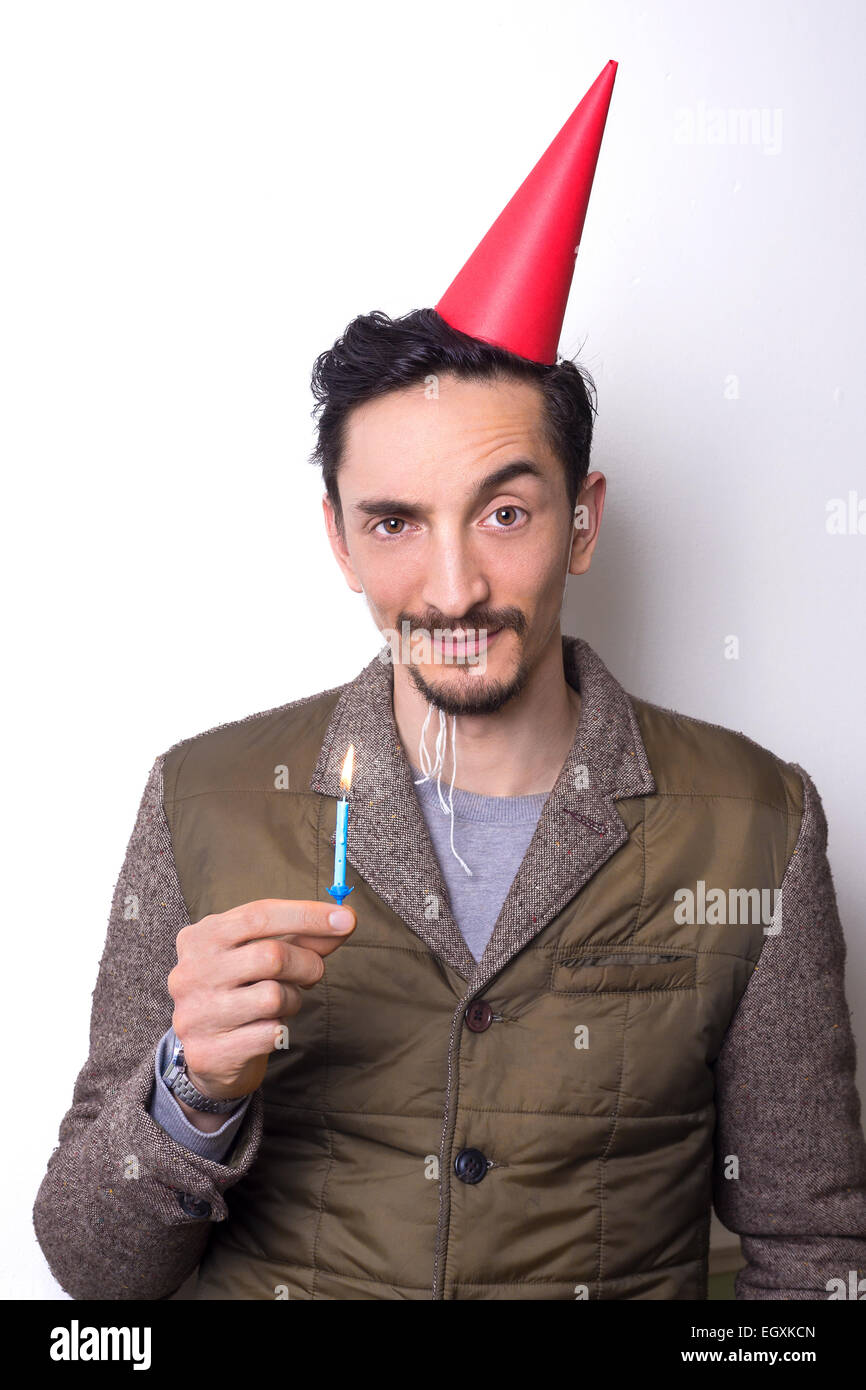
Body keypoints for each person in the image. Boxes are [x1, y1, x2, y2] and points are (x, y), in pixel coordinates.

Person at [33, 63, 866, 1301]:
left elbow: (811, 1259)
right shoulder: (201, 800)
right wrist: (187, 1092)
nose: (453, 585)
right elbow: (95, 1275)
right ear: (337, 537)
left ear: (581, 524)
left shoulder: (754, 826)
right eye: (395, 522)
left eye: (505, 511)